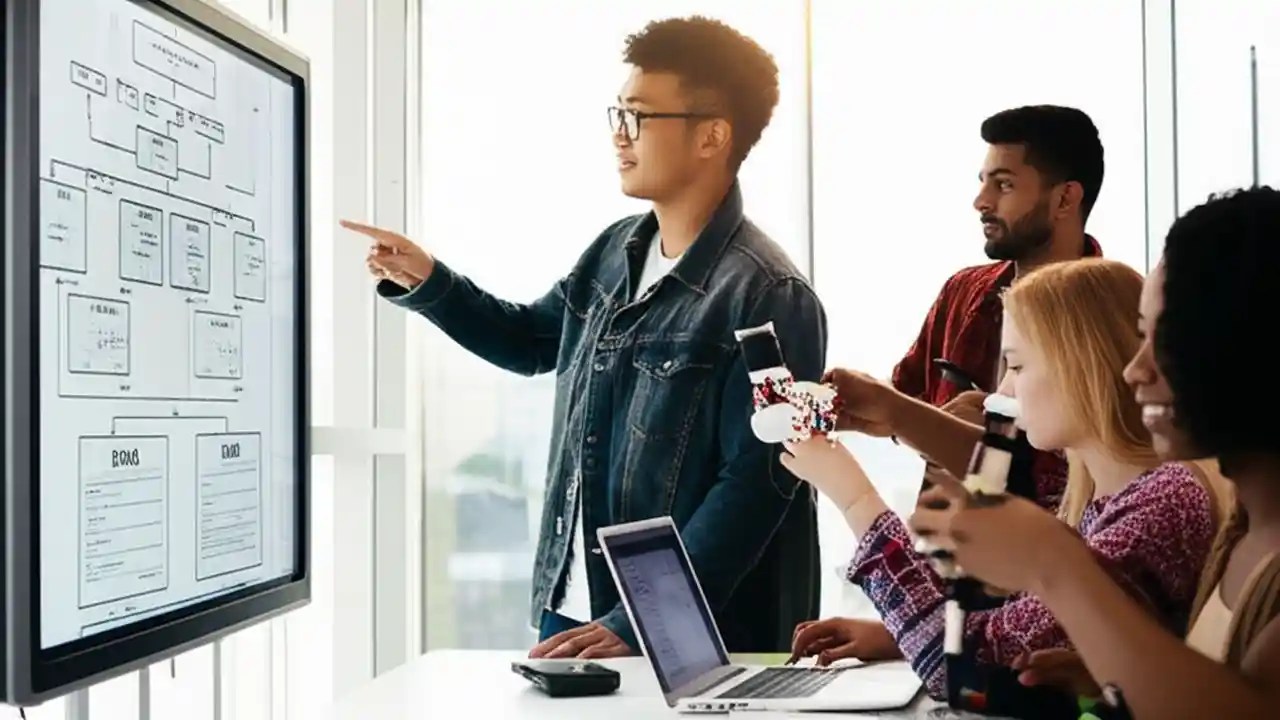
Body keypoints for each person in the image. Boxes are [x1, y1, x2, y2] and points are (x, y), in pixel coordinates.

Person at [341, 16, 827, 659]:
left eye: (641, 118)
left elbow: (759, 484)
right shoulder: (613, 251)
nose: (620, 136)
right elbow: (534, 342)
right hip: (572, 604)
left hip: (683, 633)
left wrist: (640, 623)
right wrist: (430, 282)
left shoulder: (769, 294)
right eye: (617, 114)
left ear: (712, 135)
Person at [910, 187, 1280, 718]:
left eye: (1170, 339)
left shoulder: (1196, 511)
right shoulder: (1243, 530)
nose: (1136, 370)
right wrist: (1114, 684)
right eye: (1141, 337)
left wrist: (1054, 561)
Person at [781, 259, 1218, 699]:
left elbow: (963, 668)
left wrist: (852, 495)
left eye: (1017, 366)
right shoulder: (1105, 493)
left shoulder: (1161, 505)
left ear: (1081, 367)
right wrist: (899, 634)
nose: (1001, 393)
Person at [784, 104, 1110, 671]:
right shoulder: (964, 294)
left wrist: (888, 431)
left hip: (1029, 637)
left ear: (1065, 199)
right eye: (982, 182)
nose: (982, 201)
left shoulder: (1100, 322)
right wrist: (870, 411)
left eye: (1004, 184)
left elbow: (1031, 474)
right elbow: (906, 411)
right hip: (944, 614)